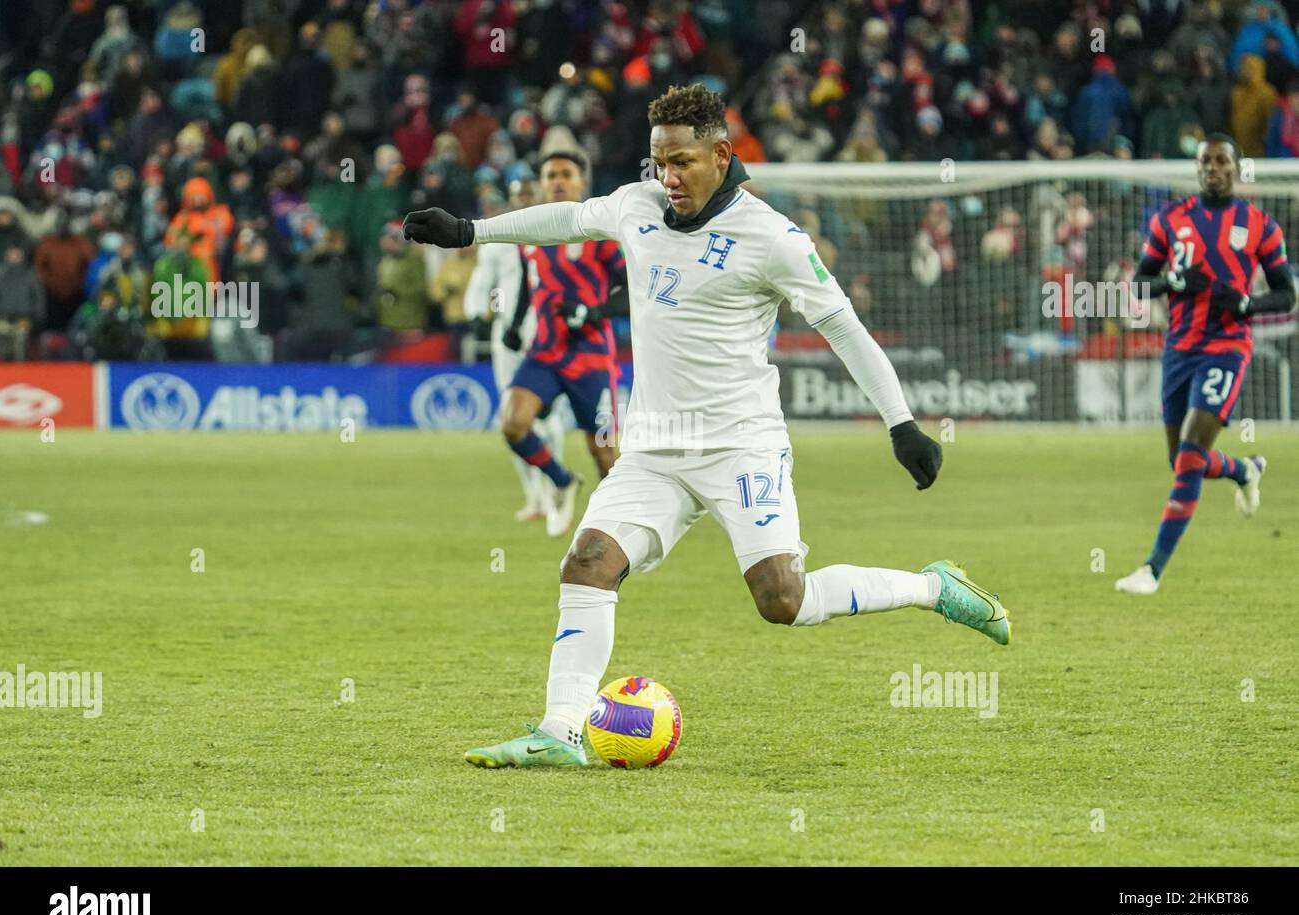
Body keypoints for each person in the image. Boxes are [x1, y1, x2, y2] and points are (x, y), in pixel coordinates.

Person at [403, 84, 1010, 769]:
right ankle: (559, 731)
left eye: (683, 161)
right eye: (659, 161)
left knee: (782, 599)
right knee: (588, 564)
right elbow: (569, 218)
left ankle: (932, 586)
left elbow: (844, 328)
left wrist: (901, 423)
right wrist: (470, 231)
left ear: (722, 154)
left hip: (741, 446)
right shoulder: (639, 208)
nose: (669, 177)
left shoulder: (773, 238)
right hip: (656, 447)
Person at [1117, 134, 1293, 594]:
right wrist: (1172, 279)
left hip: (1227, 346)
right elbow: (1139, 285)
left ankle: (1152, 569)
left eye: (1222, 161)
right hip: (1179, 348)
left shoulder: (1259, 225)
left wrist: (1247, 304)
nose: (1213, 168)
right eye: (1206, 161)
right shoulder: (1170, 220)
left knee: (1192, 450)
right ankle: (1243, 470)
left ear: (1236, 168)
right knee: (1180, 460)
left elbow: (1286, 293)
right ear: (1197, 169)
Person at [429, 149, 626, 539]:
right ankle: (562, 480)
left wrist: (592, 311)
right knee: (513, 423)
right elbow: (523, 286)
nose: (557, 181)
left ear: (581, 182)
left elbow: (632, 289)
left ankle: (619, 528)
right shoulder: (532, 236)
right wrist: (513, 325)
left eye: (565, 174)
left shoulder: (603, 236)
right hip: (545, 352)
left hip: (591, 357)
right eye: (550, 174)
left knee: (604, 453)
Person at [463, 175, 570, 522]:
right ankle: (534, 497)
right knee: (509, 416)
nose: (524, 199)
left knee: (545, 415)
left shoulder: (556, 232)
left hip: (547, 334)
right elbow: (482, 280)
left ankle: (555, 485)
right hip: (507, 336)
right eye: (518, 194)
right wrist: (477, 313)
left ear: (538, 194)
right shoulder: (499, 237)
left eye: (528, 193)